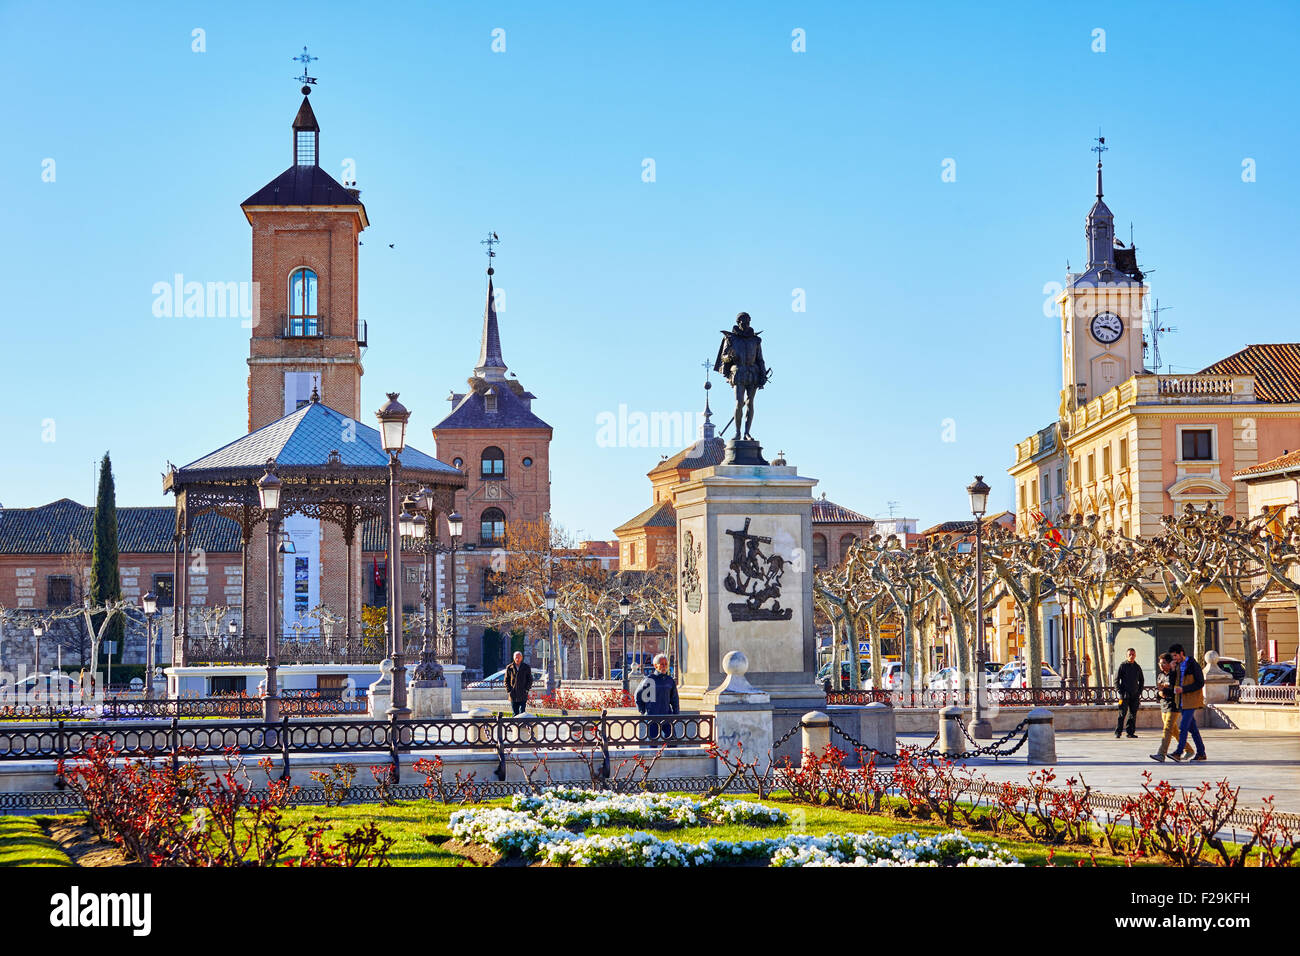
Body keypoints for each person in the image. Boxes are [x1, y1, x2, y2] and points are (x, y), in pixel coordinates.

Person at [1149, 653, 1194, 763]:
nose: (1161, 665)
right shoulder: (1160, 676)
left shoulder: (1175, 676)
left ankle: (1161, 754)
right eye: (1160, 663)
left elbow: (1175, 690)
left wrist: (1164, 691)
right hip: (1163, 705)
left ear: (1170, 664)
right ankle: (1189, 749)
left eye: (1164, 663)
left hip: (1173, 706)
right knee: (1174, 731)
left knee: (1167, 729)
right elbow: (1157, 689)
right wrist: (1159, 693)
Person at [1168, 643, 1207, 761]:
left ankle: (1178, 752)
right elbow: (1172, 682)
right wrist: (1173, 670)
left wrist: (1184, 689)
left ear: (1181, 653)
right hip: (1181, 701)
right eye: (1172, 656)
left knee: (1183, 726)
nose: (1174, 658)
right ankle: (1201, 753)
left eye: (1175, 655)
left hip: (1192, 700)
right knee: (1193, 729)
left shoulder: (1192, 664)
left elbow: (1200, 683)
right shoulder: (1178, 666)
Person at [635, 653, 680, 741]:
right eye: (662, 664)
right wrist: (643, 711)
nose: (664, 666)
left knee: (673, 741)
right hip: (652, 717)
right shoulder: (649, 679)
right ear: (656, 666)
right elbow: (638, 696)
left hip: (667, 716)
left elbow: (674, 699)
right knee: (653, 743)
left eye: (666, 664)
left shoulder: (669, 680)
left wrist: (676, 713)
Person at [1114, 647, 1145, 739]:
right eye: (1129, 655)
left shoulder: (1137, 667)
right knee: (1122, 714)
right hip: (1124, 695)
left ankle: (1130, 732)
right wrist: (1120, 692)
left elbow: (1141, 680)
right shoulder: (1122, 666)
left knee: (1132, 714)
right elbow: (1116, 680)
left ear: (1135, 655)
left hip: (1134, 695)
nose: (1131, 656)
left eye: (1133, 654)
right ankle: (1118, 732)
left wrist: (1139, 692)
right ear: (1126, 655)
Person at [505, 651, 532, 716]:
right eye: (516, 657)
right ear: (513, 658)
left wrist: (526, 689)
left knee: (522, 713)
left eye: (519, 657)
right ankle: (515, 726)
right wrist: (509, 691)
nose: (517, 659)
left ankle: (522, 726)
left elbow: (530, 680)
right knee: (515, 713)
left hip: (523, 694)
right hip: (513, 695)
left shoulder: (526, 667)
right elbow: (506, 680)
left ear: (521, 658)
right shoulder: (509, 667)